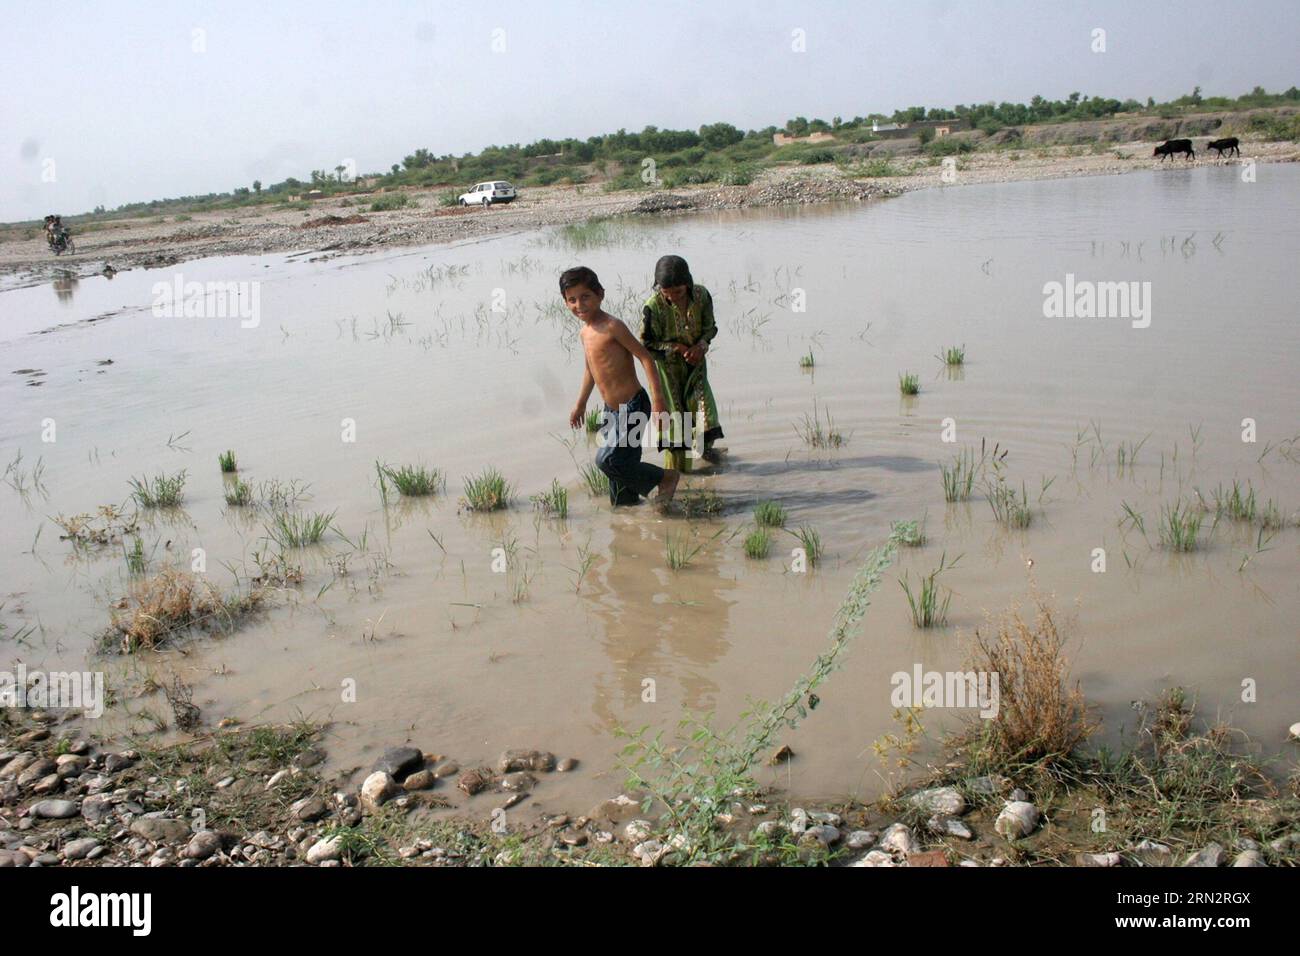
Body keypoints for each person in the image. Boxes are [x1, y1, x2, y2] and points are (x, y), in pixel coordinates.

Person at [564, 266, 680, 507]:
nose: (579, 305)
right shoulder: (585, 334)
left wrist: (658, 401)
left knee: (607, 460)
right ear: (566, 303)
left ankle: (665, 477)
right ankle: (628, 513)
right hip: (612, 412)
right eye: (572, 300)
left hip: (634, 406)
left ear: (600, 294)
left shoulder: (612, 326)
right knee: (620, 494)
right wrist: (580, 404)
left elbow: (645, 357)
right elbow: (590, 371)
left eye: (585, 296)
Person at [640, 255, 724, 471]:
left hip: (696, 368)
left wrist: (700, 347)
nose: (673, 298)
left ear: (688, 283)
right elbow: (647, 345)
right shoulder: (653, 307)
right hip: (668, 374)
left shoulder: (701, 295)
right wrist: (677, 347)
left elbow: (711, 328)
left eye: (678, 292)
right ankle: (679, 476)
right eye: (666, 293)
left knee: (707, 417)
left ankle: (707, 456)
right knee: (677, 427)